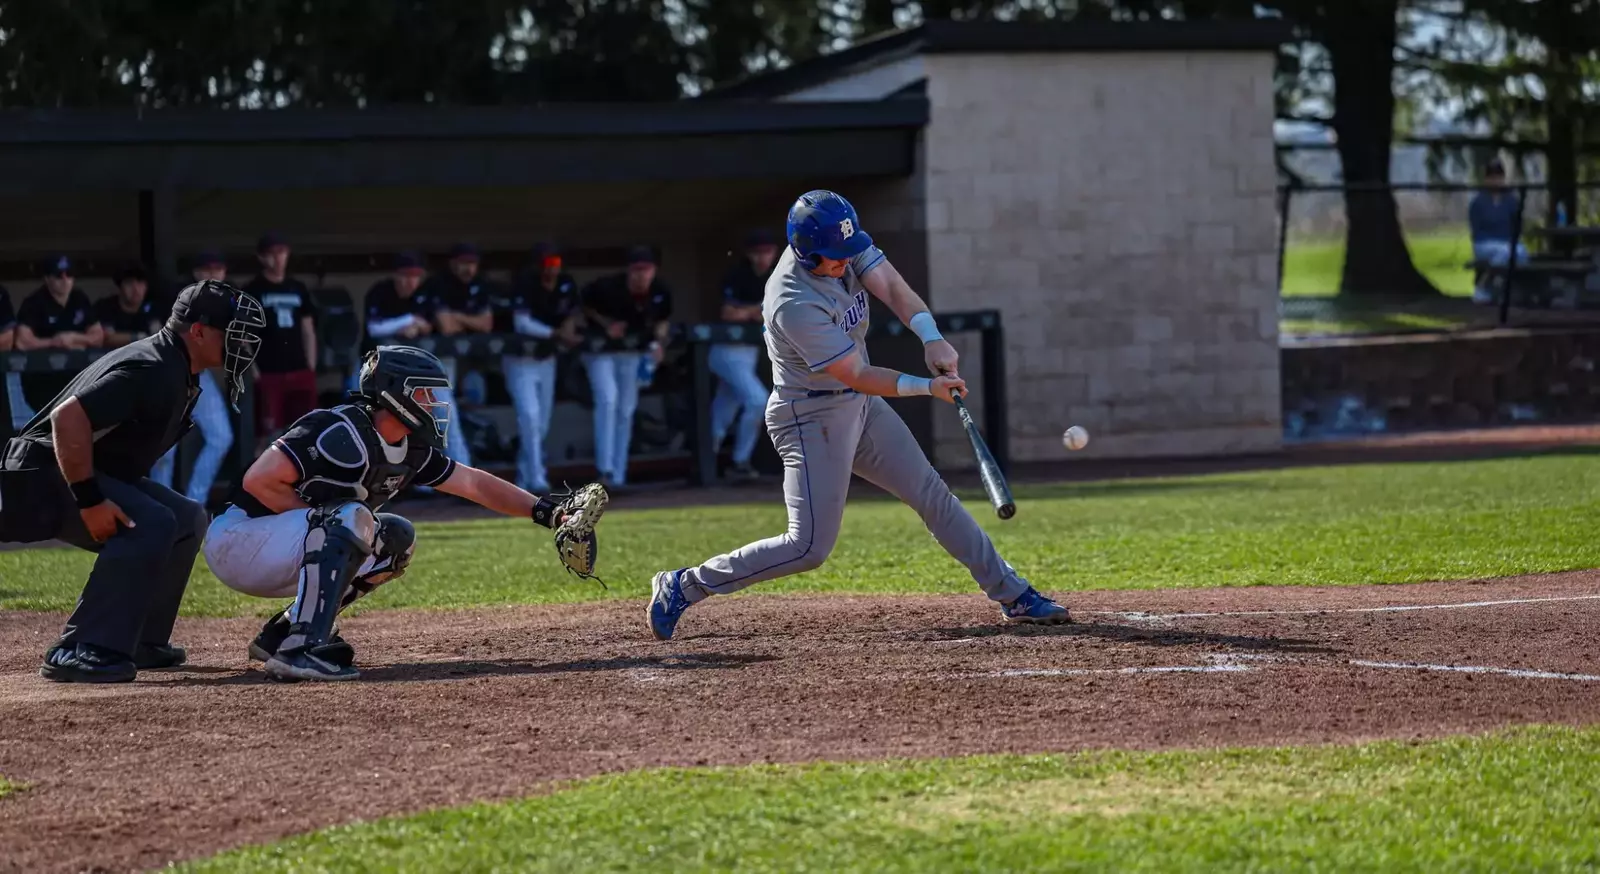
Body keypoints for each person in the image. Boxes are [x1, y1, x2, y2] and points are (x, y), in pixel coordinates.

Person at [647, 190, 1068, 641]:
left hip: (859, 406)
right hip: (810, 418)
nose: (846, 263)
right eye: (834, 258)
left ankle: (1013, 594)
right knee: (807, 547)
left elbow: (891, 287)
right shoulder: (792, 301)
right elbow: (858, 372)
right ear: (808, 255)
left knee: (931, 493)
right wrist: (928, 388)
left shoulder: (841, 243)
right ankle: (683, 585)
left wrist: (931, 337)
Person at [201, 346, 608, 682]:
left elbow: (473, 484)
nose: (434, 403)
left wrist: (548, 513)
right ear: (395, 393)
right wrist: (323, 520)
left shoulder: (408, 447)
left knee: (395, 538)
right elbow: (258, 481)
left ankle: (285, 631)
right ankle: (302, 647)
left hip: (280, 544)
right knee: (350, 518)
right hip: (239, 539)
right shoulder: (339, 429)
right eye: (425, 393)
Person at [0, 280, 265, 682]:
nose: (240, 341)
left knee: (187, 517)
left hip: (69, 471)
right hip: (40, 476)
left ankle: (141, 640)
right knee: (153, 522)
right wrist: (90, 500)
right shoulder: (154, 367)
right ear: (197, 331)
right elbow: (67, 419)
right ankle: (80, 647)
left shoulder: (179, 366)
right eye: (232, 330)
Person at [150, 252, 242, 505]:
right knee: (164, 445)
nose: (214, 275)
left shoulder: (230, 299)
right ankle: (159, 504)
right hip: (170, 374)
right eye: (208, 269)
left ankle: (194, 502)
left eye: (219, 269)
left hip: (200, 377)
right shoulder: (180, 296)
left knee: (222, 437)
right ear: (197, 272)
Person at [579, 246, 672, 490]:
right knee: (608, 401)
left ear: (653, 271)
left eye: (646, 270)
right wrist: (605, 323)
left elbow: (662, 323)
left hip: (632, 353)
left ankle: (618, 474)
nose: (641, 275)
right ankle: (604, 470)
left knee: (625, 410)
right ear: (629, 271)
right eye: (637, 270)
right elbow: (582, 304)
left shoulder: (660, 291)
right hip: (600, 352)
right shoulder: (608, 287)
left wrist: (658, 345)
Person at [504, 243, 581, 492]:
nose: (551, 270)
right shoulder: (524, 285)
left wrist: (568, 329)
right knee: (529, 418)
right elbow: (522, 323)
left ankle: (524, 476)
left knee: (541, 424)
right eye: (546, 264)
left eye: (555, 264)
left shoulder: (565, 284)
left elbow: (571, 313)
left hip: (547, 360)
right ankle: (537, 478)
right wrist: (556, 333)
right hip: (520, 360)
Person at [709, 230, 779, 481]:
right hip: (725, 351)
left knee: (723, 411)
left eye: (768, 252)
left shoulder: (776, 275)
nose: (763, 257)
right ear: (749, 254)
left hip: (748, 352)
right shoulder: (737, 274)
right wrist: (760, 311)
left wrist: (750, 312)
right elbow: (729, 313)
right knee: (758, 400)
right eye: (758, 253)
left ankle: (707, 461)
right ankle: (740, 461)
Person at [425, 242, 496, 466]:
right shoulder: (438, 283)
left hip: (453, 359)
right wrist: (468, 320)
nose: (469, 268)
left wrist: (458, 318)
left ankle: (447, 474)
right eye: (464, 263)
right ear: (453, 263)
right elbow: (446, 326)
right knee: (444, 415)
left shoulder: (479, 284)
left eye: (473, 263)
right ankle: (460, 472)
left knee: (443, 415)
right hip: (427, 358)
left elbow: (486, 324)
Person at [13, 256, 103, 430]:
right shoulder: (34, 302)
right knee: (48, 429)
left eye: (69, 275)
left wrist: (73, 338)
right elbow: (22, 341)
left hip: (75, 379)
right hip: (41, 383)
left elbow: (98, 336)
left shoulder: (79, 299)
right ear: (47, 278)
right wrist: (54, 342)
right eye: (58, 275)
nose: (65, 280)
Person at [244, 233, 318, 444]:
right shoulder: (252, 291)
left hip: (299, 369)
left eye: (282, 253)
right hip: (269, 372)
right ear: (261, 257)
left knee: (305, 431)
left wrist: (311, 365)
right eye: (271, 254)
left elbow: (308, 329)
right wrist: (255, 371)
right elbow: (243, 335)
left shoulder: (298, 288)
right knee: (268, 435)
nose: (277, 259)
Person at [1469, 159, 1531, 305]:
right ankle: (1483, 286)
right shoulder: (1478, 202)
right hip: (1484, 244)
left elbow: (1517, 225)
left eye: (1499, 177)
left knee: (1522, 254)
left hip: (1508, 243)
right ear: (1486, 179)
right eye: (1492, 177)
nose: (1496, 181)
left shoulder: (1511, 200)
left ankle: (1505, 290)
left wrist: (1510, 240)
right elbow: (1476, 231)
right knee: (1505, 253)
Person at [94, 264, 163, 348]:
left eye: (140, 283)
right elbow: (104, 338)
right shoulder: (105, 307)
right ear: (119, 287)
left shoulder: (154, 308)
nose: (136, 289)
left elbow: (161, 339)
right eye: (129, 283)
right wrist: (139, 337)